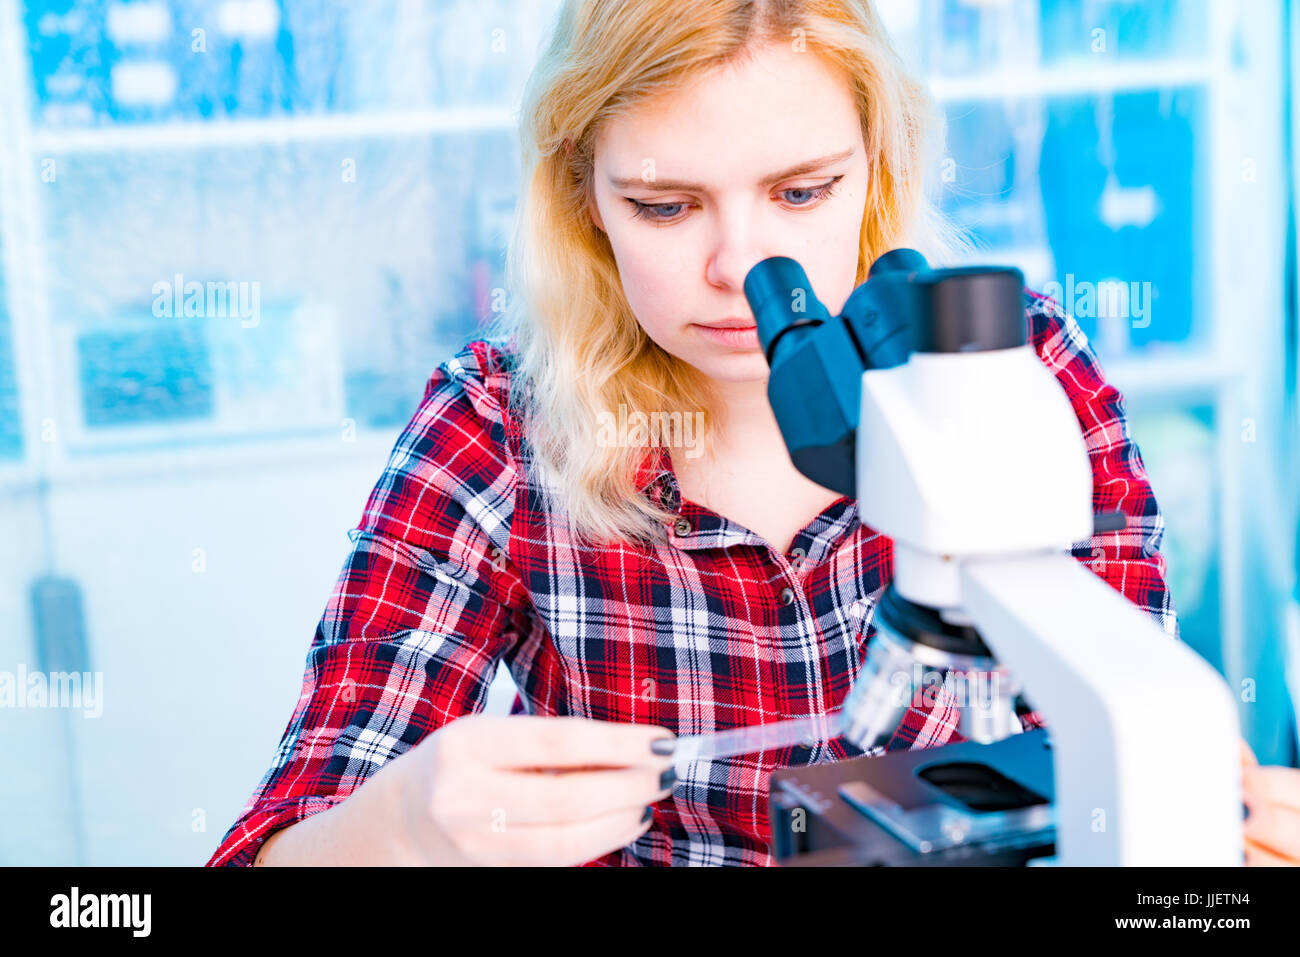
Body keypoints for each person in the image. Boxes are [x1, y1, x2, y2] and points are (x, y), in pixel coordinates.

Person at [207, 0, 1298, 867]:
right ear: (583, 192)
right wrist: (400, 834)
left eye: (800, 191)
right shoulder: (493, 426)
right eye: (666, 206)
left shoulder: (1018, 373)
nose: (738, 268)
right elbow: (282, 837)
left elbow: (1131, 729)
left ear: (877, 162)